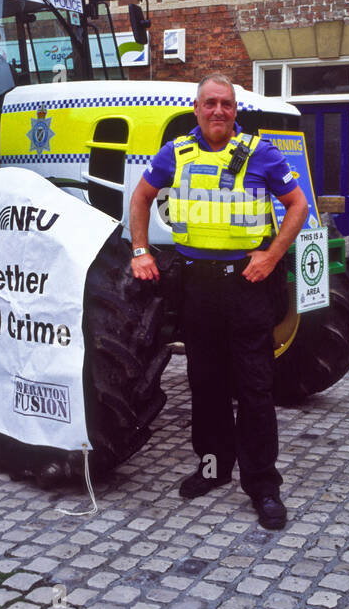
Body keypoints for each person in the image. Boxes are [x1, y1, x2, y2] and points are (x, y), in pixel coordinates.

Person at [130, 74, 310, 530]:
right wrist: (139, 251)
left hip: (246, 287)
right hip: (196, 288)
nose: (218, 112)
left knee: (254, 388)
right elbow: (141, 198)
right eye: (210, 103)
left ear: (235, 111)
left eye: (226, 104)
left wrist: (272, 256)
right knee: (205, 384)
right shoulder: (174, 154)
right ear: (197, 109)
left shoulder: (261, 153)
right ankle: (212, 468)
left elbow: (298, 206)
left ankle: (263, 485)